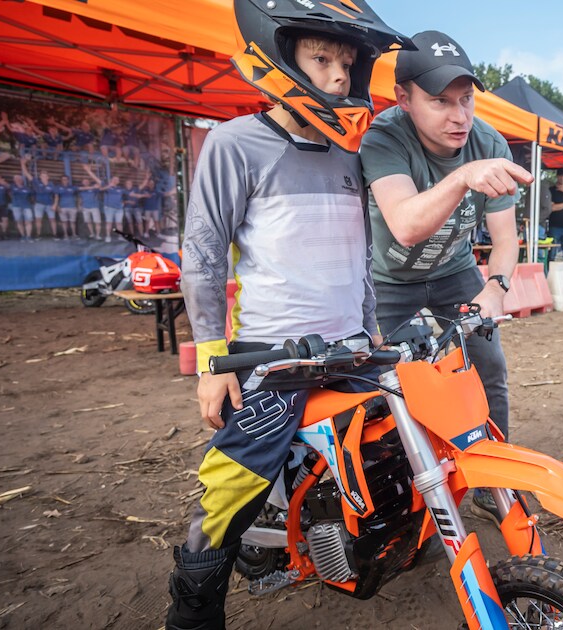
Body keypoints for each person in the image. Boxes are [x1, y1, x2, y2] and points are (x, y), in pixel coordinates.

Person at [165, 2, 410, 628]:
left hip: (352, 347)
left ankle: (333, 547)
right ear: (280, 58)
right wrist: (213, 361)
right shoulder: (234, 144)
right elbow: (202, 255)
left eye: (346, 64)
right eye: (320, 59)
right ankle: (192, 615)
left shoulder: (354, 155)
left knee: (393, 452)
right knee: (225, 495)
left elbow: (358, 259)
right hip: (273, 357)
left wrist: (374, 328)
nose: (336, 77)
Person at [361, 27, 529, 439]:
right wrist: (463, 178)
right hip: (386, 280)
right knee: (378, 381)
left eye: (466, 99)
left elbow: (506, 238)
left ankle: (496, 481)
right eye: (439, 101)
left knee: (488, 365)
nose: (459, 117)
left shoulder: (489, 142)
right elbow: (405, 227)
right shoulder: (382, 138)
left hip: (455, 272)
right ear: (404, 99)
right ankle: (405, 482)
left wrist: (496, 288)